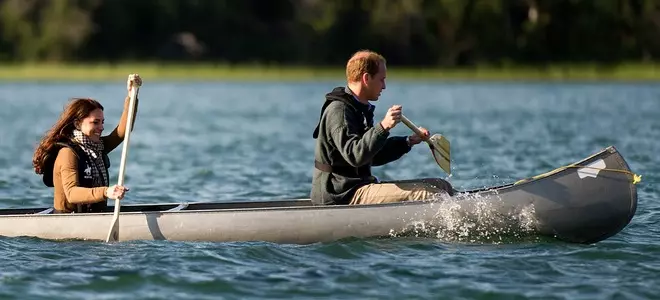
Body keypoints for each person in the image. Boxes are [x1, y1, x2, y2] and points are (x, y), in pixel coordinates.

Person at [310, 50, 454, 205]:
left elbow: (373, 156)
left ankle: (466, 206)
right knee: (427, 194)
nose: (384, 86)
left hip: (357, 187)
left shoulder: (359, 109)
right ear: (366, 78)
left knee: (441, 185)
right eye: (381, 80)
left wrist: (408, 141)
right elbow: (355, 156)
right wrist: (383, 127)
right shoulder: (339, 111)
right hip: (341, 194)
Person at [32, 74, 143, 213]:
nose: (101, 127)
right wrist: (106, 192)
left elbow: (122, 132)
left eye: (102, 122)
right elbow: (71, 194)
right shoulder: (67, 153)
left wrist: (132, 95)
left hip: (94, 216)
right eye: (95, 122)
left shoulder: (97, 147)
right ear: (77, 123)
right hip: (68, 221)